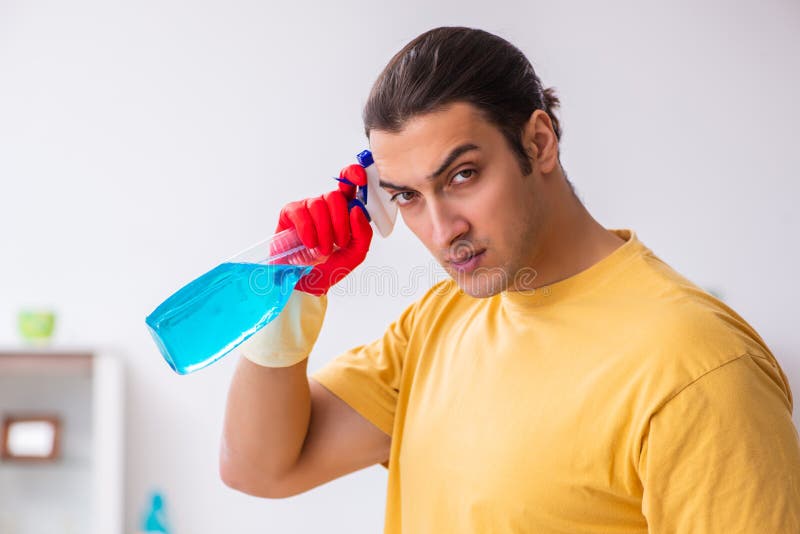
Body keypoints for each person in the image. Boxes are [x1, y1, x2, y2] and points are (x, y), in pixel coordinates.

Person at [220, 26, 800, 533]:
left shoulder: (696, 368)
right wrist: (293, 295)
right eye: (408, 197)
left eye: (463, 175)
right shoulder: (439, 321)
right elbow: (259, 467)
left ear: (539, 143)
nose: (444, 228)